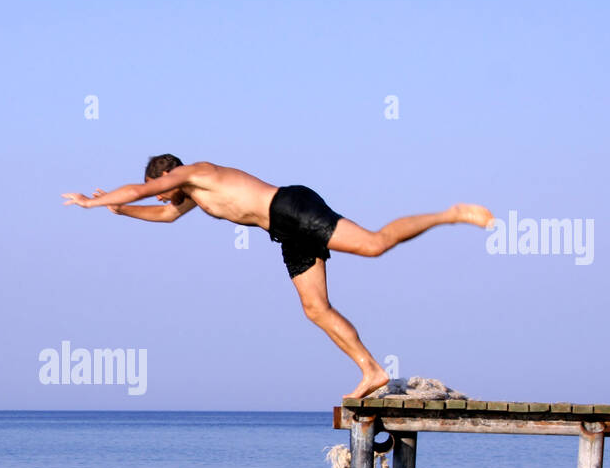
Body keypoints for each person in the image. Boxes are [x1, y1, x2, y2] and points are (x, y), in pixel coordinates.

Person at [63, 155, 492, 400]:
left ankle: (451, 214)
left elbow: (143, 193)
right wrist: (119, 211)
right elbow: (163, 214)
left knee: (375, 244)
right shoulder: (191, 193)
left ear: (166, 174)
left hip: (292, 209)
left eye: (158, 185)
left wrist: (91, 203)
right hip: (284, 229)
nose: (159, 193)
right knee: (314, 309)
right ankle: (372, 371)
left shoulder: (193, 172)